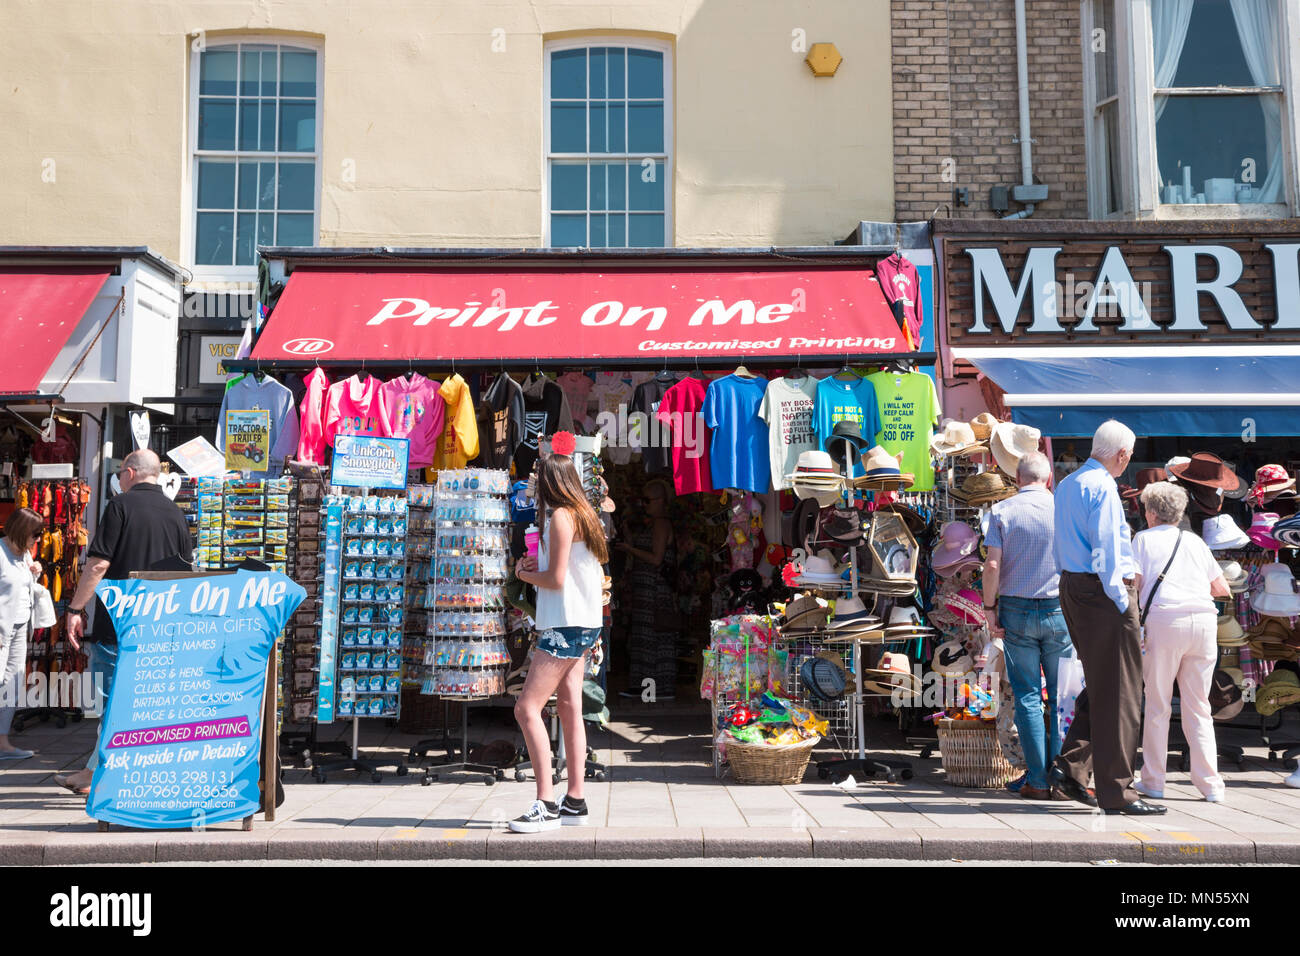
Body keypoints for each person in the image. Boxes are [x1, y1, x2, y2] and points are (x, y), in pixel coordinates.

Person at [55, 450, 193, 795]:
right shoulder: (176, 514)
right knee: (139, 703)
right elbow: (186, 572)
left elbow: (98, 565)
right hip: (159, 628)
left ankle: (97, 776)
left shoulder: (119, 506)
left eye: (120, 473)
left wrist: (75, 609)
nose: (118, 478)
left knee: (110, 702)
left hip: (118, 625)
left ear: (130, 473)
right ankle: (104, 772)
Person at [1051, 420, 1166, 815]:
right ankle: (1117, 792)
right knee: (1122, 693)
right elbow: (1106, 552)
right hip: (1101, 592)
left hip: (1074, 585)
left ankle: (1070, 768)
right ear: (1121, 455)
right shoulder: (1101, 486)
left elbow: (1064, 542)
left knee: (1104, 684)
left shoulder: (1068, 483)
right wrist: (1121, 599)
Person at [510, 454, 607, 832]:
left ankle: (545, 802)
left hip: (564, 624)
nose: (534, 487)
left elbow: (557, 580)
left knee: (526, 708)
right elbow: (570, 572)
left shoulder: (562, 517)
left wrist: (522, 573)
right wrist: (538, 570)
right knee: (569, 706)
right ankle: (575, 800)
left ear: (550, 482)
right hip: (583, 621)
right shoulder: (582, 514)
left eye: (538, 480)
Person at [1133, 481, 1231, 802]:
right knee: (1199, 706)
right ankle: (1211, 785)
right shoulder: (1195, 542)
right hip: (1202, 622)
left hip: (1163, 622)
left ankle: (1154, 781)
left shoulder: (1143, 540)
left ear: (1150, 512)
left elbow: (1132, 585)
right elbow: (1221, 589)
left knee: (1158, 703)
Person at [982, 451, 1072, 801]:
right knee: (1063, 698)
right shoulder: (1064, 510)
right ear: (1049, 479)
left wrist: (989, 610)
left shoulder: (1002, 511)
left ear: (1017, 478)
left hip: (1016, 610)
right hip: (1059, 609)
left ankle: (1037, 779)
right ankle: (1064, 778)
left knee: (1028, 696)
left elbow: (992, 566)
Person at [617, 478, 677, 701]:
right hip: (646, 592)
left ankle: (657, 690)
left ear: (660, 501)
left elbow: (656, 558)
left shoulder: (661, 524)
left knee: (653, 638)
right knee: (644, 638)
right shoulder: (652, 524)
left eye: (647, 500)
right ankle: (645, 688)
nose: (644, 505)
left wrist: (630, 549)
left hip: (655, 592)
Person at [0, 508, 43, 760]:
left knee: (11, 684)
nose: (38, 539)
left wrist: (34, 573)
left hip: (20, 627)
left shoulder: (24, 554)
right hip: (2, 628)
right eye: (35, 534)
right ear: (21, 530)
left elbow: (21, 588)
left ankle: (3, 742)